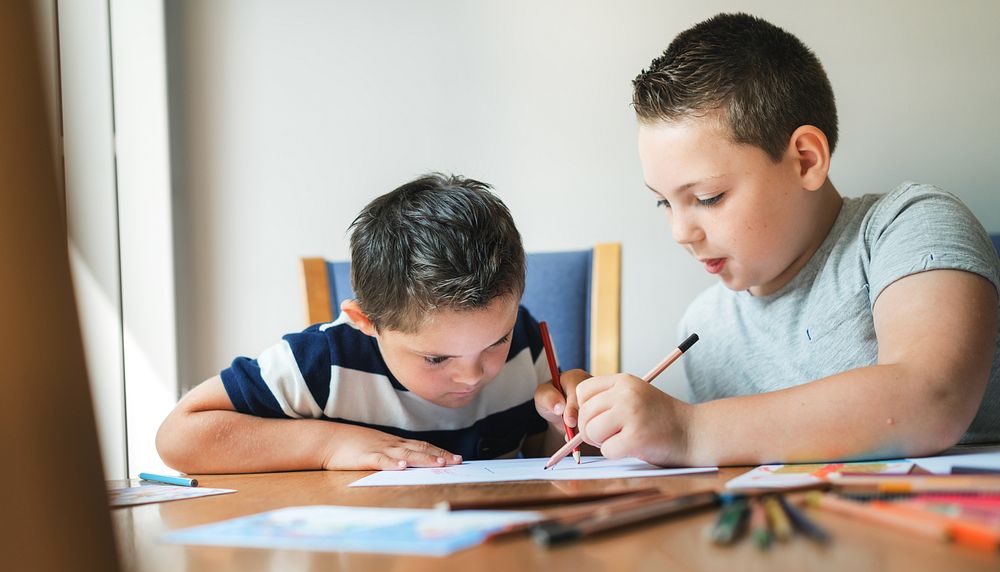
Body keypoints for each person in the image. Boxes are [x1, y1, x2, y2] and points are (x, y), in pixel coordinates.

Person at [536, 12, 1000, 466]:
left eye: (709, 197)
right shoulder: (706, 328)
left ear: (804, 160)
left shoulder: (907, 225)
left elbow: (932, 399)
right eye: (664, 202)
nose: (680, 232)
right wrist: (609, 430)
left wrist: (689, 429)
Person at [158, 173, 562, 472]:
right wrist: (328, 445)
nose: (473, 375)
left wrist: (570, 424)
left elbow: (549, 454)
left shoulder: (525, 341)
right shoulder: (323, 362)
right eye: (437, 359)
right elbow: (179, 436)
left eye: (496, 341)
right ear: (366, 321)